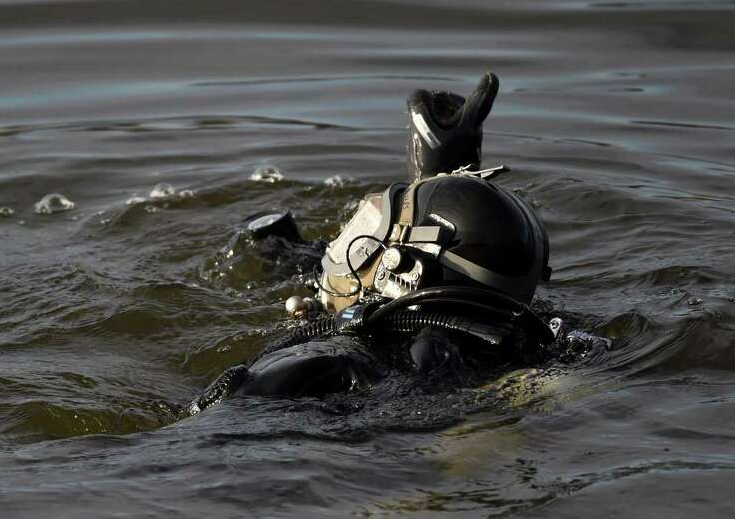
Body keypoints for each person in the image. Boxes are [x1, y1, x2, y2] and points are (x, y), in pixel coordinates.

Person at [190, 73, 604, 415]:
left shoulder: (324, 362)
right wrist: (450, 185)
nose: (341, 245)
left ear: (400, 268)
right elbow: (456, 260)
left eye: (365, 229)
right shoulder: (534, 346)